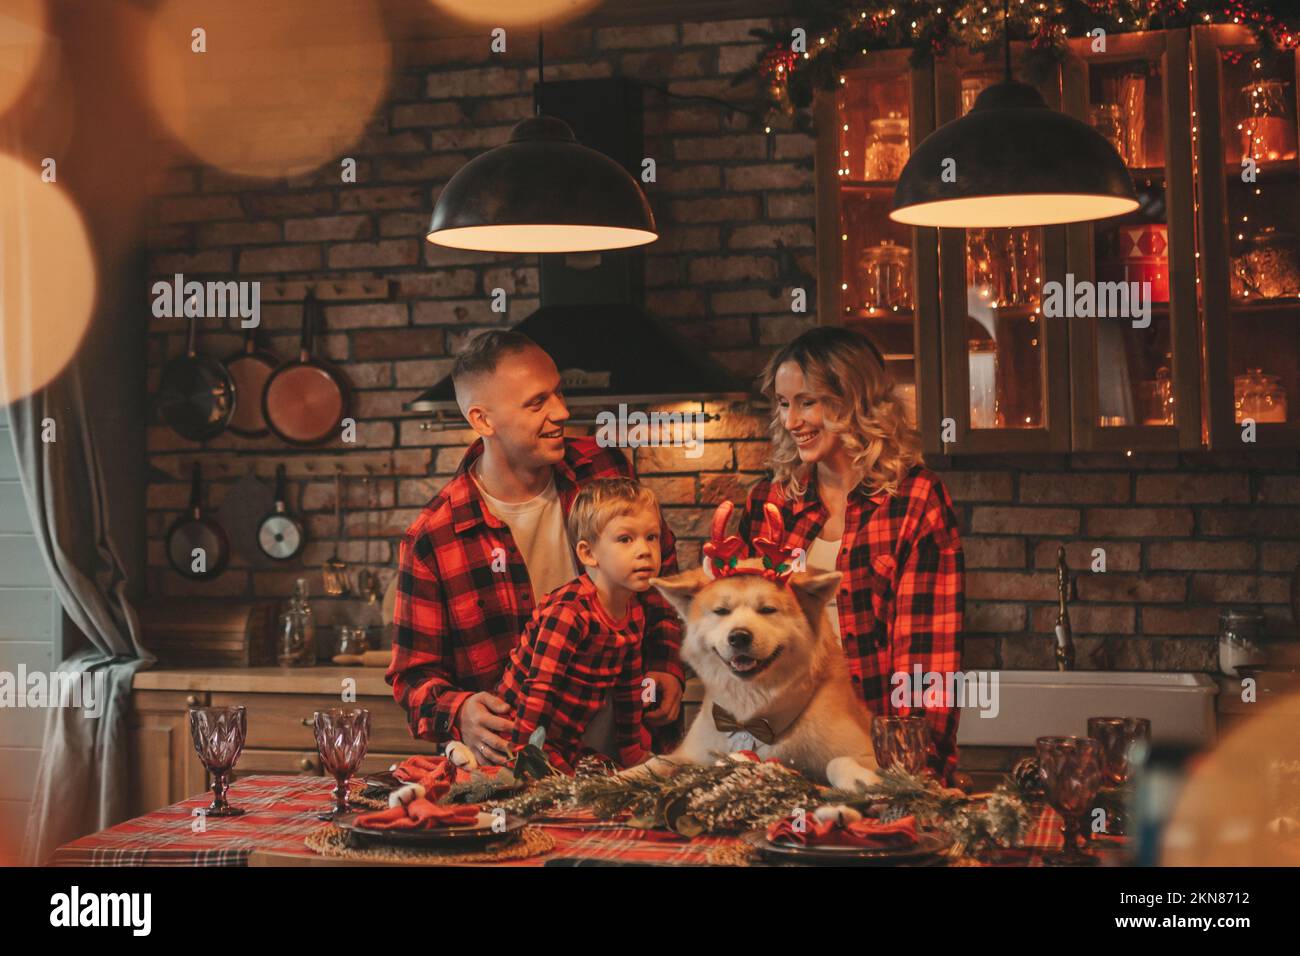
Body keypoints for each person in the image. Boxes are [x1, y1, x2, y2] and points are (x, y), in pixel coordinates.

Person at [386, 330, 684, 765]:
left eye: (558, 392)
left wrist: (666, 666)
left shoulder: (603, 468)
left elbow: (662, 584)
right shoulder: (435, 536)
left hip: (630, 763)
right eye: (536, 402)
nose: (561, 411)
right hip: (515, 781)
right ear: (483, 420)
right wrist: (461, 712)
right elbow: (413, 679)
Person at [738, 326, 965, 783]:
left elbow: (927, 663)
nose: (791, 420)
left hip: (872, 756)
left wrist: (907, 778)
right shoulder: (771, 502)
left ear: (852, 400)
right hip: (776, 758)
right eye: (784, 404)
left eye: (807, 401)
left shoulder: (915, 499)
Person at [485, 477, 663, 772]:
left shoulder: (634, 614)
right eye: (626, 539)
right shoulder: (570, 612)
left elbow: (629, 691)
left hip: (565, 742)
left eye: (652, 537)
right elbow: (539, 688)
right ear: (588, 553)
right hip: (514, 736)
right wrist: (522, 754)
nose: (644, 550)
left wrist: (631, 749)